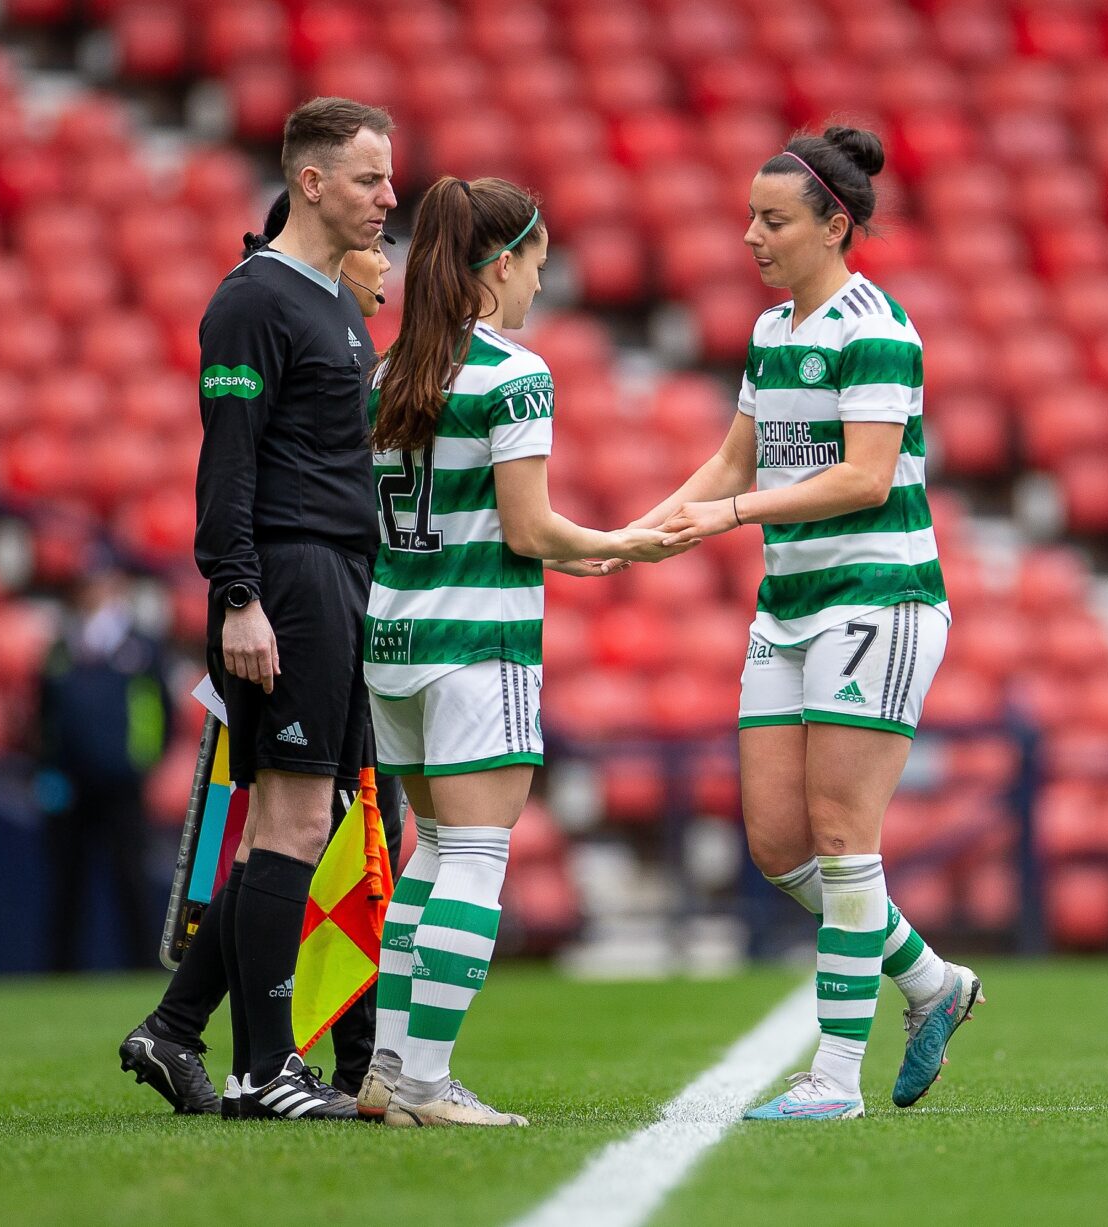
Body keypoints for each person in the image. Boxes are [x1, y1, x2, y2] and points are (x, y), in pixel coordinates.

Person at [636, 126, 983, 1120]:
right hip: (790, 604)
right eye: (750, 215)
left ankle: (834, 1079)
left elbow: (867, 476)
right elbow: (735, 461)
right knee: (778, 845)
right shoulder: (771, 331)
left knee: (840, 836)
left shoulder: (875, 326)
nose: (750, 235)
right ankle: (930, 985)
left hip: (879, 597)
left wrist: (730, 516)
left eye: (772, 218)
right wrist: (646, 529)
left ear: (835, 225)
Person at [352, 175, 685, 1128]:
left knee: (429, 852)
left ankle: (386, 1069)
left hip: (394, 640)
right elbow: (530, 528)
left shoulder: (385, 373)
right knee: (476, 853)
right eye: (537, 265)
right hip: (479, 643)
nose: (541, 285)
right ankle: (426, 1082)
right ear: (501, 265)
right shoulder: (513, 373)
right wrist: (619, 543)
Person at [121, 96, 397, 1124]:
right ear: (312, 181)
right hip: (286, 578)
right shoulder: (254, 300)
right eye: (370, 178)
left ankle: (174, 1030)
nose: (388, 196)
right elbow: (228, 466)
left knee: (296, 822)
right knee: (286, 819)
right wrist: (237, 594)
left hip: (335, 576)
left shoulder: (331, 300)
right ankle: (264, 1071)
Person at [38, 564, 173, 971]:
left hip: (121, 784)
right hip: (71, 784)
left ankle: (140, 968)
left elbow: (160, 712)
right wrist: (49, 766)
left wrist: (138, 762)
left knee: (130, 877)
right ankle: (60, 972)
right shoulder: (64, 647)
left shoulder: (141, 648)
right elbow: (45, 713)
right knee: (67, 883)